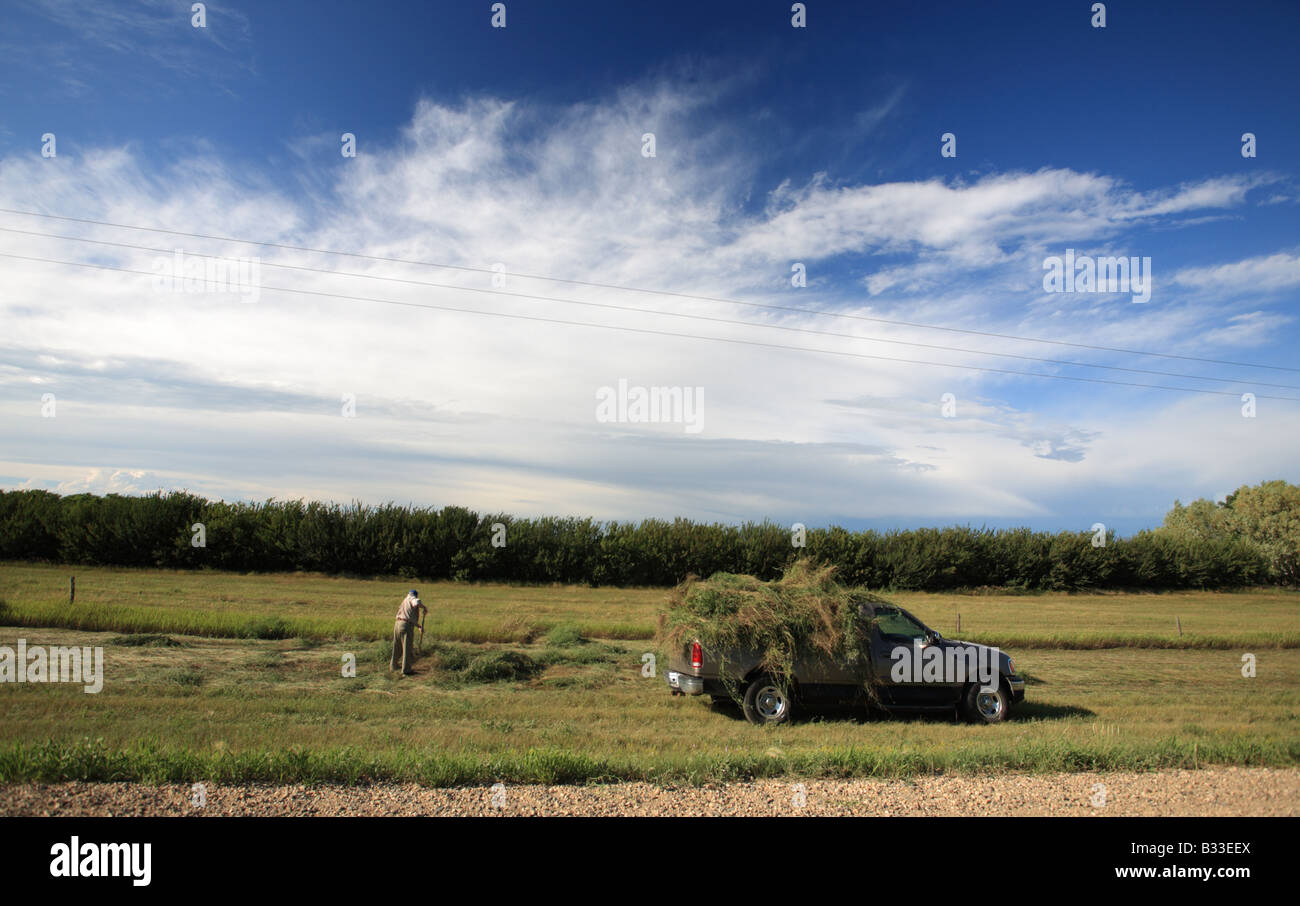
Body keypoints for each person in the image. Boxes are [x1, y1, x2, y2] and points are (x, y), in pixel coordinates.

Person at [390, 589, 427, 675]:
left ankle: (393, 666)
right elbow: (416, 603)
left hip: (397, 624)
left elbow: (408, 616)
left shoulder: (404, 601)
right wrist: (424, 607)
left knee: (397, 646)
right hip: (406, 626)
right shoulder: (412, 599)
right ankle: (406, 670)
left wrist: (418, 626)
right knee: (407, 647)